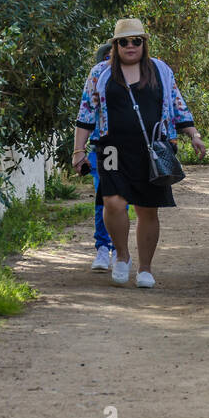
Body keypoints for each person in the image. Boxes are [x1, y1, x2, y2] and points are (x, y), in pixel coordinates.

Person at [72, 19, 207, 288]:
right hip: (110, 148)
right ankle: (122, 256)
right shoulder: (100, 73)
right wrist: (78, 151)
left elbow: (178, 104)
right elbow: (86, 113)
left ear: (144, 44)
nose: (130, 46)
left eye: (136, 41)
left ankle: (145, 269)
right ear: (115, 45)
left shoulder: (160, 70)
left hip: (154, 149)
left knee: (147, 210)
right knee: (112, 202)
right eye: (124, 41)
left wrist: (193, 134)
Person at [86, 42, 116, 272]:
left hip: (128, 148)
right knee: (103, 198)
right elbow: (85, 113)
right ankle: (102, 248)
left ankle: (118, 249)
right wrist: (79, 150)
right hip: (103, 149)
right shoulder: (97, 77)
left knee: (120, 201)